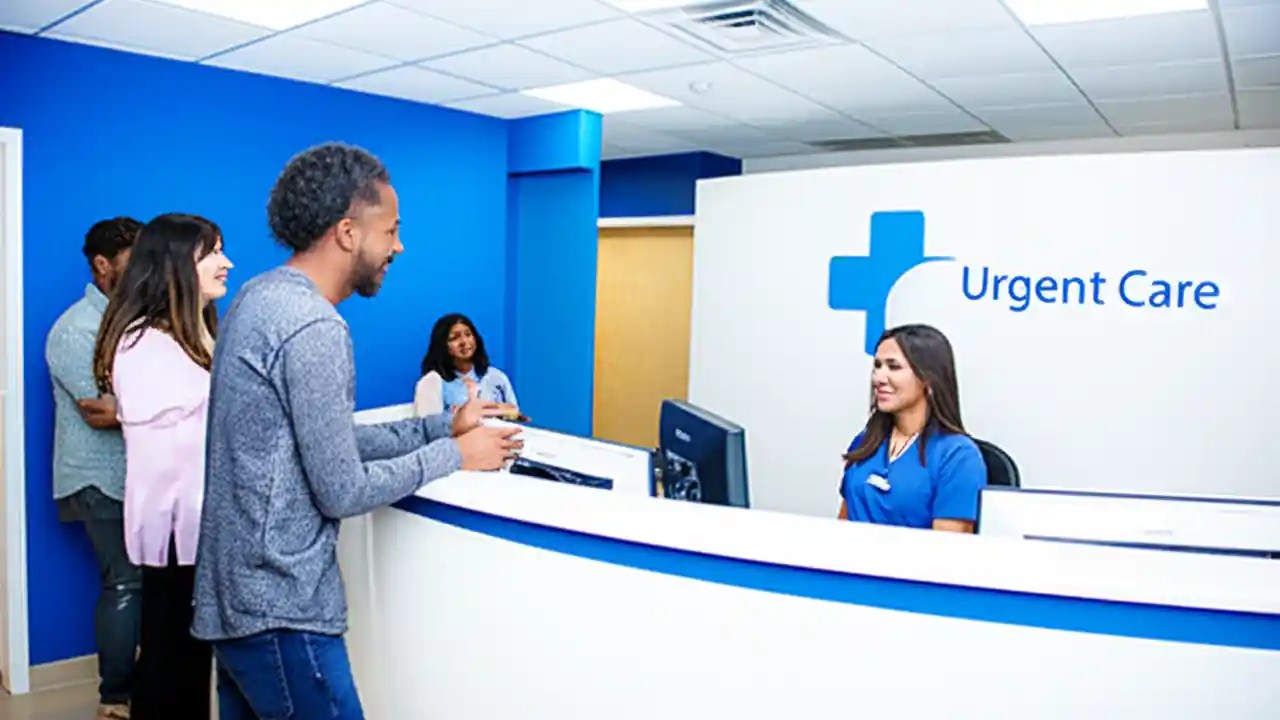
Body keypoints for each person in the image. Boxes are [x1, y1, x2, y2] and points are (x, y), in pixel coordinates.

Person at [192, 142, 521, 719]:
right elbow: (342, 489)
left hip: (235, 601)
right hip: (282, 610)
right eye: (391, 231)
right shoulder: (314, 326)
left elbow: (322, 444)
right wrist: (456, 456)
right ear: (347, 232)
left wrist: (445, 427)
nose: (398, 246)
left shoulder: (257, 297)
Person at [93, 213, 232, 719]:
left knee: (186, 657)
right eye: (212, 253)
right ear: (175, 262)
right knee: (171, 657)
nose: (226, 262)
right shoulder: (146, 342)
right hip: (176, 525)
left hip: (195, 524)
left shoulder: (194, 332)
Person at [45, 217, 141, 720]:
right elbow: (101, 410)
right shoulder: (75, 329)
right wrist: (171, 408)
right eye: (132, 261)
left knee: (146, 584)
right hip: (97, 478)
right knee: (125, 582)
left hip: (136, 477)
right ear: (102, 265)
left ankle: (139, 689)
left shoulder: (134, 321)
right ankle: (115, 699)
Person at [837, 324, 988, 532]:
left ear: (928, 378)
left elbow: (948, 547)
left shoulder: (958, 456)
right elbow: (842, 526)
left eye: (894, 367)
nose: (879, 378)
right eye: (877, 366)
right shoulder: (865, 441)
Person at [414, 313, 517, 416]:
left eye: (468, 334)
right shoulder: (434, 382)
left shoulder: (496, 377)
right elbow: (430, 423)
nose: (464, 341)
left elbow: (515, 415)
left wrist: (487, 411)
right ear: (442, 345)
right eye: (454, 338)